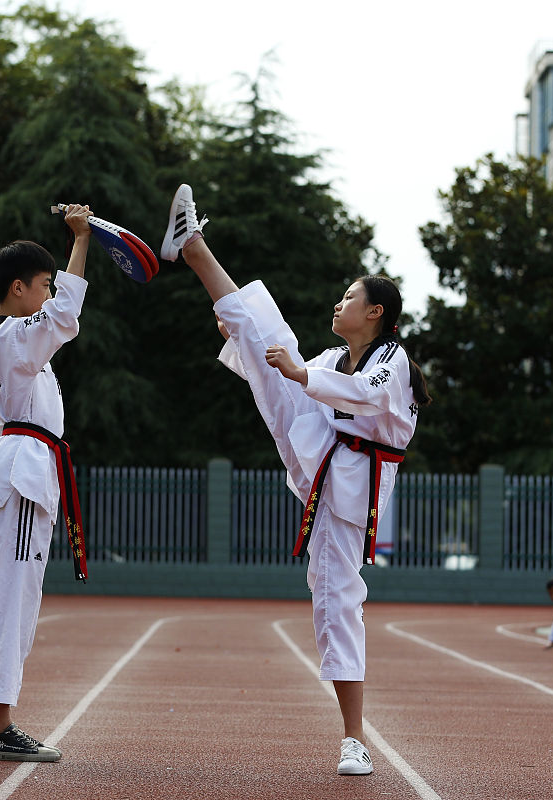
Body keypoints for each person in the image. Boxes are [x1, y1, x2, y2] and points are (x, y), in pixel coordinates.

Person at [162, 184, 430, 776]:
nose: (339, 304)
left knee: (338, 603)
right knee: (267, 339)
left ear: (376, 312)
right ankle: (193, 247)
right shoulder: (333, 361)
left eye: (349, 297)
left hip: (347, 484)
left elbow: (362, 397)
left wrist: (294, 371)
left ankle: (354, 739)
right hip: (318, 451)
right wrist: (257, 350)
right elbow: (298, 374)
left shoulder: (392, 359)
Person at [0, 203, 94, 764]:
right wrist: (82, 241)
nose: (50, 294)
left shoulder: (19, 348)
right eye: (44, 285)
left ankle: (1, 723)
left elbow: (58, 320)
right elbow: (65, 315)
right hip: (20, 473)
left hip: (16, 468)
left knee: (8, 597)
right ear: (19, 288)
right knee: (9, 599)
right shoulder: (15, 335)